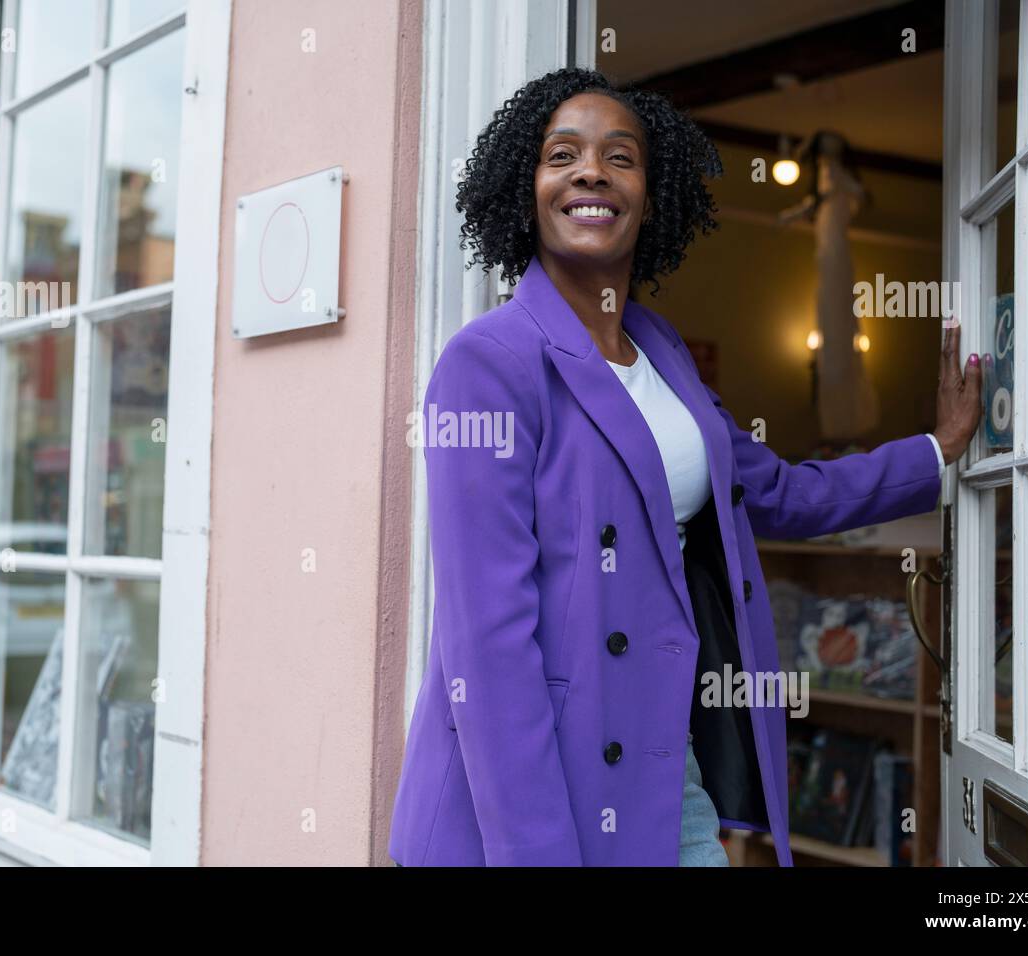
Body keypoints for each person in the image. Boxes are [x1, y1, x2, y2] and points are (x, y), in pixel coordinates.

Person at [388, 67, 981, 867]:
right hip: (534, 793)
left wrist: (935, 452)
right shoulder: (486, 363)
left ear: (651, 195)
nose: (591, 171)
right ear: (524, 191)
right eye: (562, 155)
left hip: (664, 767)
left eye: (619, 157)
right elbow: (486, 644)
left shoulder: (662, 352)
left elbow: (774, 492)